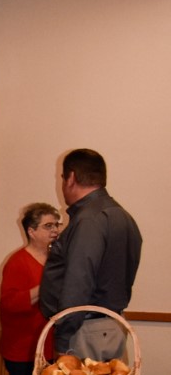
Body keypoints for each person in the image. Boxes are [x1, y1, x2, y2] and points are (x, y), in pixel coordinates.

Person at [38, 148, 142, 360]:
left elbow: (78, 282)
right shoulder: (122, 216)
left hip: (85, 331)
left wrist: (63, 338)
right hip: (112, 325)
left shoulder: (88, 220)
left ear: (71, 178)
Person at [0, 203, 60, 375]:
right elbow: (9, 305)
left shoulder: (57, 260)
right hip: (23, 350)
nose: (55, 230)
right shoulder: (17, 262)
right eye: (48, 226)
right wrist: (44, 288)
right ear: (31, 231)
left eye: (57, 224)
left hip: (50, 348)